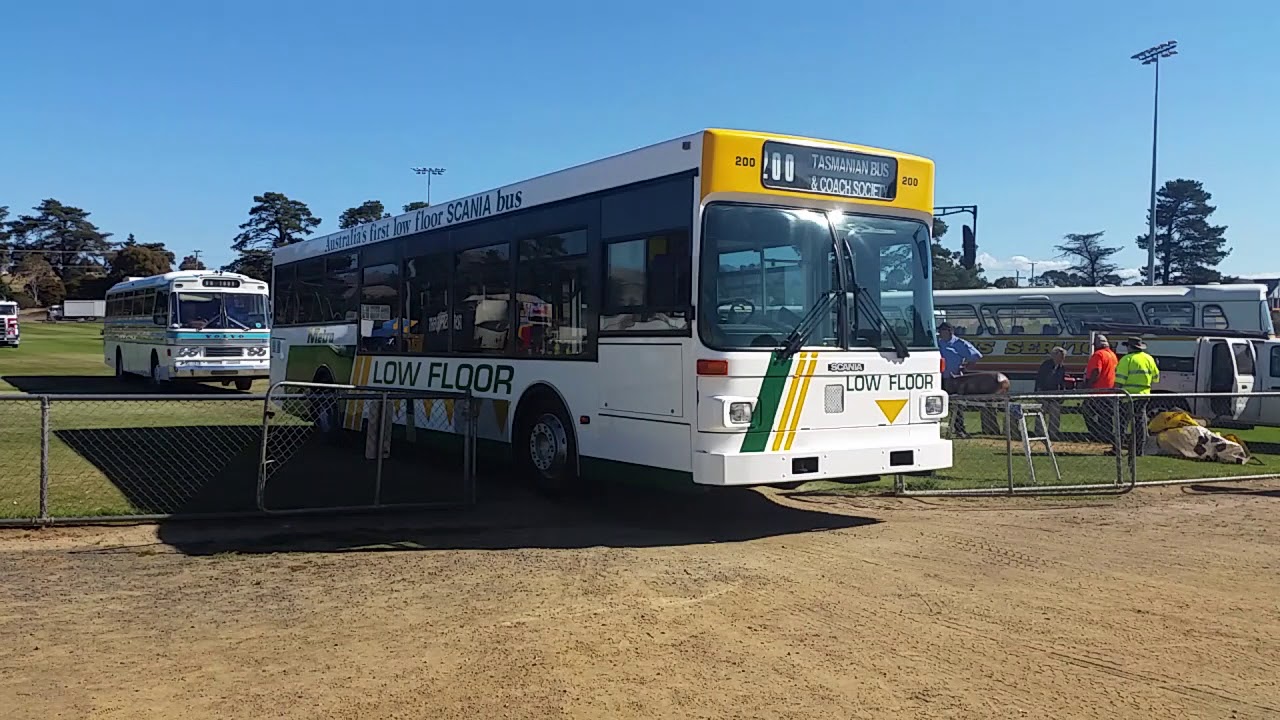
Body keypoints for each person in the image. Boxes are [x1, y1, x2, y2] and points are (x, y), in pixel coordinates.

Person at [1115, 337, 1160, 454]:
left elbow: (1120, 381)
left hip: (1128, 396)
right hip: (1144, 395)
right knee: (1140, 422)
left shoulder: (1127, 359)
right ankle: (1139, 449)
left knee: (1122, 423)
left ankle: (1117, 448)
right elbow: (1156, 378)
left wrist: (1115, 393)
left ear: (1129, 347)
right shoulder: (1149, 359)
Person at [937, 322, 982, 437]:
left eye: (942, 331)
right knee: (936, 404)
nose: (940, 334)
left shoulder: (959, 343)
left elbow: (976, 356)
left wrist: (966, 366)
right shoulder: (937, 343)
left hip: (954, 379)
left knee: (957, 405)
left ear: (949, 331)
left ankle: (959, 429)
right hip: (937, 378)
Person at [1082, 335, 1119, 441]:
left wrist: (1088, 385)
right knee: (1105, 416)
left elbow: (1096, 371)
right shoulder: (1112, 355)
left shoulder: (1098, 355)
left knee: (1087, 410)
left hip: (1097, 391)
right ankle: (1106, 435)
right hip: (1110, 390)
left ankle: (1096, 433)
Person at [1033, 347, 1067, 438]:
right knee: (1041, 413)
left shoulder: (1062, 368)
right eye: (1060, 356)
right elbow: (1040, 379)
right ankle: (1039, 432)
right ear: (1054, 356)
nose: (1062, 359)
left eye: (1063, 357)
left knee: (1055, 413)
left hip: (1055, 395)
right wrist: (1038, 392)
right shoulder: (1046, 365)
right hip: (1043, 392)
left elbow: (1061, 381)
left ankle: (1053, 433)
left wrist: (1062, 393)